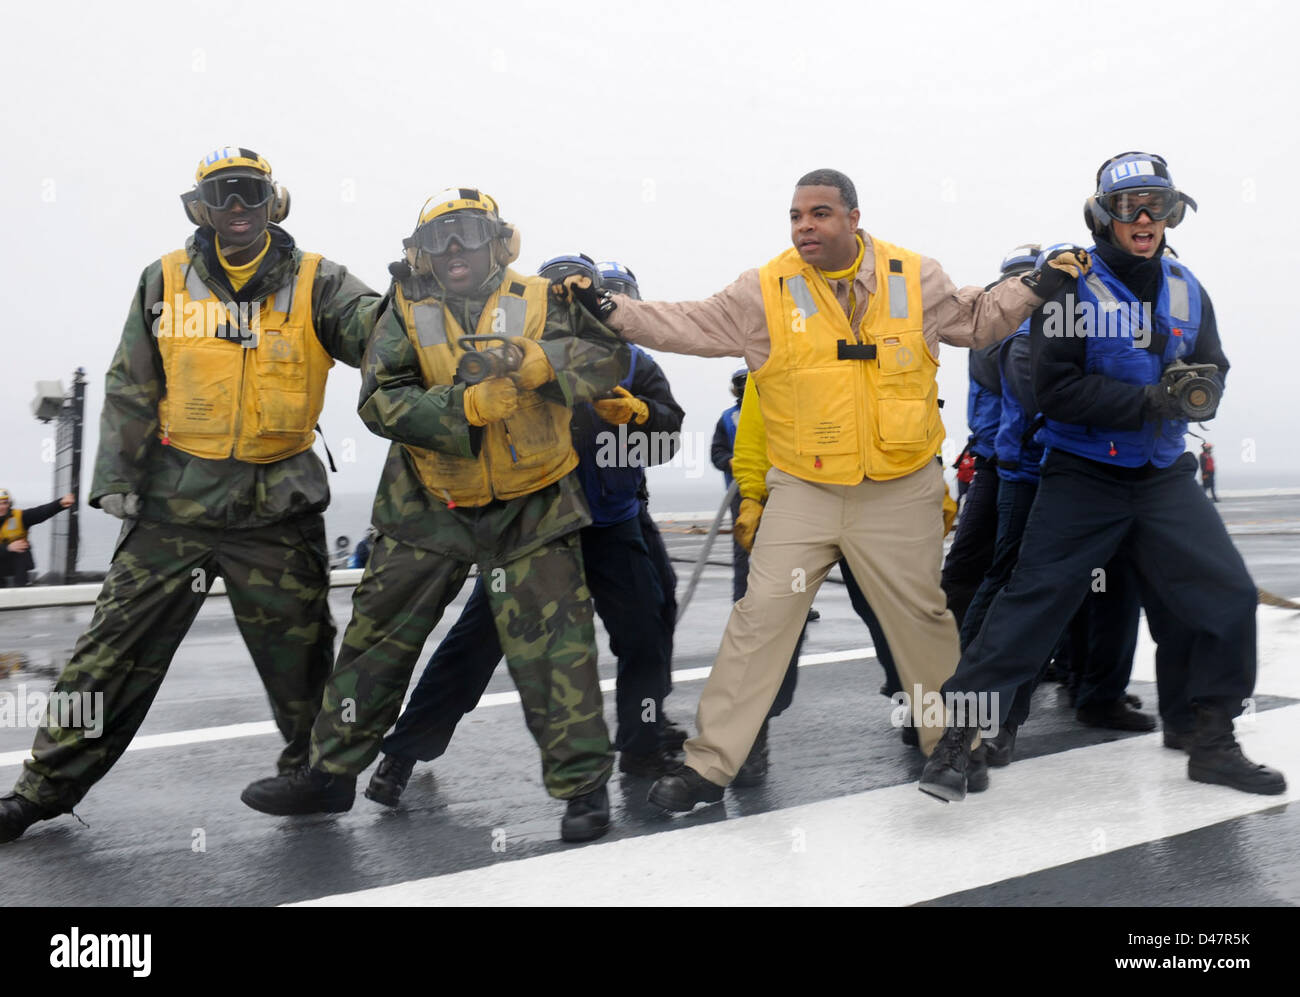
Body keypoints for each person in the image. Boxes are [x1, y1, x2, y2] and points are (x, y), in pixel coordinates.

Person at [552, 167, 1077, 810]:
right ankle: (711, 766)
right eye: (797, 215)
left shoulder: (914, 276)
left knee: (923, 622)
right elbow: (687, 321)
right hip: (804, 488)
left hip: (900, 485)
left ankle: (957, 748)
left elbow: (978, 318)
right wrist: (611, 309)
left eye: (820, 213)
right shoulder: (764, 289)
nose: (805, 226)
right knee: (760, 618)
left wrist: (1035, 285)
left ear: (853, 218)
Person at [0, 147, 381, 844]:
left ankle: (318, 774)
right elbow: (130, 382)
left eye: (250, 193)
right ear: (200, 206)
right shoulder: (164, 281)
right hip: (173, 505)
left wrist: (422, 313)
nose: (237, 207)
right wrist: (116, 481)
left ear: (275, 202)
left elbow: (379, 335)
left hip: (276, 507)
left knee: (301, 658)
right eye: (222, 194)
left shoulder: (319, 282)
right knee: (109, 651)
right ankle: (38, 790)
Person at [239, 190, 630, 843]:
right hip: (427, 498)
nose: (455, 248)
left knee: (558, 650)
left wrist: (538, 362)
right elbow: (379, 400)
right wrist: (465, 410)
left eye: (469, 233)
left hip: (532, 499)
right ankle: (330, 774)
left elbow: (608, 358)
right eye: (441, 236)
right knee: (375, 642)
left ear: (496, 240)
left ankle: (583, 788)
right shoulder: (403, 307)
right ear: (421, 247)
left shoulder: (543, 297)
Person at [920, 151, 1285, 801]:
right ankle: (960, 738)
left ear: (1173, 214)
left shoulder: (1185, 286)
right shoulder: (1072, 286)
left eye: (1158, 205)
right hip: (1083, 473)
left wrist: (1200, 390)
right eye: (1128, 206)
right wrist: (1149, 402)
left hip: (1163, 474)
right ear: (1102, 216)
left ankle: (1213, 738)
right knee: (1032, 602)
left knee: (1227, 594)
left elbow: (1213, 368)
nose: (1145, 217)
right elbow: (1051, 390)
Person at [361, 254, 683, 809]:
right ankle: (404, 752)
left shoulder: (633, 364)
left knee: (646, 637)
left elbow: (668, 434)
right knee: (473, 646)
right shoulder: (505, 356)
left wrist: (639, 417)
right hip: (534, 529)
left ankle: (642, 743)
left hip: (611, 525)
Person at [0, 491, 75, 587]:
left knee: (20, 546)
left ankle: (20, 588)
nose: (2, 507)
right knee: (11, 547)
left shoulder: (19, 517)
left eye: (5, 503)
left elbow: (40, 512)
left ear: (9, 504)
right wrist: (7, 548)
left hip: (16, 566)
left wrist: (60, 503)